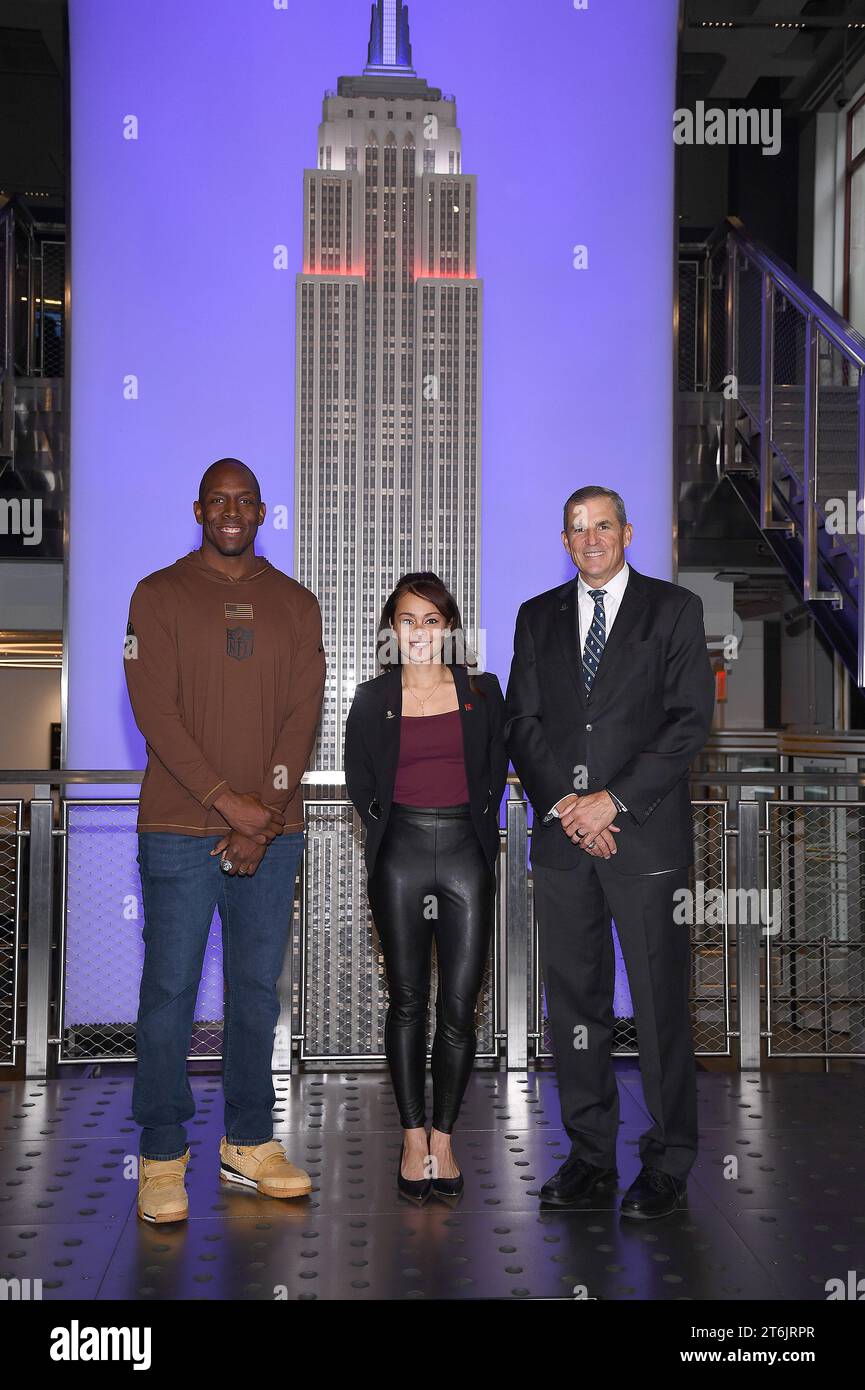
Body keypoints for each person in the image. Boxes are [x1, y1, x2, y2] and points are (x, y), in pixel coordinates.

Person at [123, 457, 326, 1223]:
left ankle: (248, 1143)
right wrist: (227, 806)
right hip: (178, 830)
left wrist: (264, 815)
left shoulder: (297, 605)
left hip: (274, 837)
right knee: (169, 996)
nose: (231, 511)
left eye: (244, 501)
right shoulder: (158, 594)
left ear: (263, 512)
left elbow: (300, 719)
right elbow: (157, 715)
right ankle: (162, 1154)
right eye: (218, 500)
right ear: (199, 509)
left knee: (254, 999)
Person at [504, 486, 715, 1220]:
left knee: (658, 1006)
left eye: (601, 526)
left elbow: (688, 723)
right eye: (575, 530)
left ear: (626, 533)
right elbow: (521, 724)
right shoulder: (536, 618)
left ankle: (666, 1162)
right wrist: (568, 804)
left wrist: (611, 801)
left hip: (643, 839)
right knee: (575, 1007)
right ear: (563, 542)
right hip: (565, 844)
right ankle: (590, 1156)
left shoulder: (674, 611)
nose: (589, 539)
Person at [344, 573, 509, 1205]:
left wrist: (478, 826)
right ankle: (413, 1140)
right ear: (392, 630)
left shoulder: (482, 692)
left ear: (450, 629)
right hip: (401, 857)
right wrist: (390, 830)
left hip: (467, 855)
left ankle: (446, 1137)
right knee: (409, 1002)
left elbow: (494, 765)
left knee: (460, 1006)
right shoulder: (372, 697)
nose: (419, 632)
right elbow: (362, 780)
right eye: (408, 620)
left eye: (432, 620)